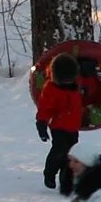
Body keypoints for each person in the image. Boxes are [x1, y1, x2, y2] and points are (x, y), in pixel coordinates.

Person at [35, 54, 86, 191]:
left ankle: (66, 181)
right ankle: (50, 173)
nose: (68, 82)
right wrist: (41, 123)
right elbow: (45, 108)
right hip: (59, 126)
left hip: (73, 127)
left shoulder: (76, 85)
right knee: (59, 150)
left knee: (70, 155)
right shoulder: (51, 89)